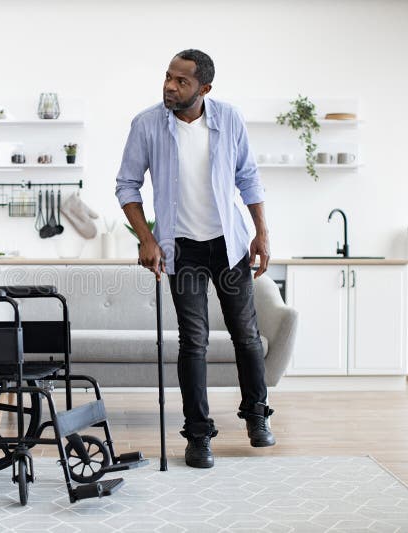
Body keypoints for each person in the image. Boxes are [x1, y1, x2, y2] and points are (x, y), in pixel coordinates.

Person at [115, 49, 275, 469]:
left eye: (181, 81)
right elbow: (127, 185)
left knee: (246, 334)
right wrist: (147, 239)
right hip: (181, 248)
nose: (170, 86)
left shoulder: (229, 118)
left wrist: (261, 233)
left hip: (228, 246)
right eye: (168, 77)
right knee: (194, 341)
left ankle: (257, 414)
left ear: (204, 88)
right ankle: (198, 435)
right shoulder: (147, 124)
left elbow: (248, 177)